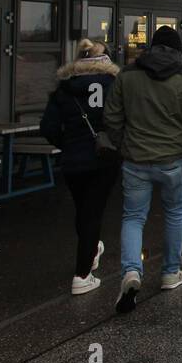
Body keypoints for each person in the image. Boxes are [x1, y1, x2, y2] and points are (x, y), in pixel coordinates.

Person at [106, 25, 182, 313]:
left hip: (136, 161)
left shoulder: (127, 75)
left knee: (133, 217)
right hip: (174, 160)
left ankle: (131, 271)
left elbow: (111, 118)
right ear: (178, 50)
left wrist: (124, 146)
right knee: (175, 213)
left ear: (150, 47)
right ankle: (170, 272)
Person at [40, 38, 121, 296]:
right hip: (104, 157)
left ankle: (91, 249)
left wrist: (66, 143)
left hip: (73, 159)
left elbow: (48, 127)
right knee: (93, 212)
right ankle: (82, 274)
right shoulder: (113, 85)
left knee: (83, 209)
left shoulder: (64, 89)